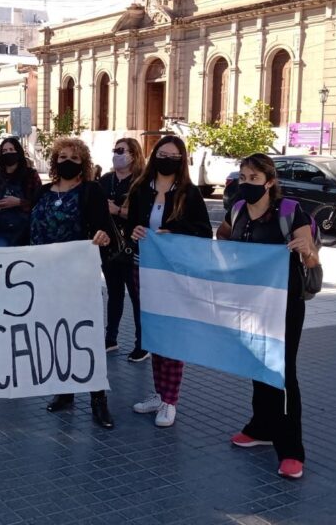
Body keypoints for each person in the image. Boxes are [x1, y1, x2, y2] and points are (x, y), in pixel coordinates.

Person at [215, 153, 319, 480]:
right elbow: (223, 236)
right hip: (249, 302)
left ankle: (291, 450)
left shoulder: (289, 212)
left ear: (269, 182)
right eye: (243, 178)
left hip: (284, 304)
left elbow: (310, 254)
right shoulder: (237, 210)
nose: (247, 184)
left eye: (254, 178)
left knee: (282, 371)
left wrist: (307, 250)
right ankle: (261, 427)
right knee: (257, 364)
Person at [126, 135, 212, 427]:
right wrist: (134, 232)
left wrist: (174, 232)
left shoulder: (189, 192)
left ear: (182, 159)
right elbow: (128, 226)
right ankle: (159, 393)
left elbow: (203, 232)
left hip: (176, 274)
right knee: (153, 333)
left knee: (173, 335)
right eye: (162, 153)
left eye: (173, 155)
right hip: (143, 269)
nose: (167, 159)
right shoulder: (140, 188)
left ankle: (170, 400)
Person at [31, 137, 116, 429]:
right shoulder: (42, 192)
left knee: (87, 336)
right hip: (46, 275)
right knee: (58, 334)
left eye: (74, 158)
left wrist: (102, 236)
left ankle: (98, 399)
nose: (67, 162)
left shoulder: (91, 191)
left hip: (79, 274)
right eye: (63, 157)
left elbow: (104, 228)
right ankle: (65, 391)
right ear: (55, 161)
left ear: (83, 165)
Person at [97, 137, 145, 356]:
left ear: (133, 155)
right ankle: (111, 337)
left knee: (137, 296)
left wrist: (117, 210)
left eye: (121, 150)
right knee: (114, 292)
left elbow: (142, 215)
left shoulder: (141, 182)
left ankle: (142, 343)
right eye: (114, 150)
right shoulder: (106, 180)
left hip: (133, 246)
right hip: (109, 245)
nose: (116, 154)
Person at [0, 137, 41, 247]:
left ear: (18, 152)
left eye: (11, 150)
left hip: (25, 232)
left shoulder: (31, 175)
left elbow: (40, 202)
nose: (8, 153)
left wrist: (19, 202)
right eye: (4, 151)